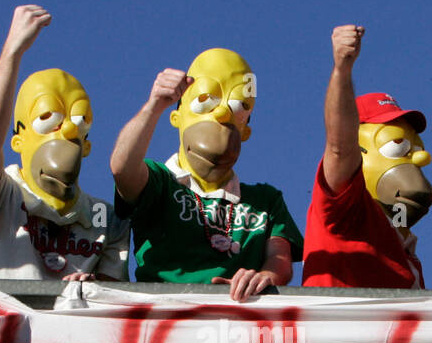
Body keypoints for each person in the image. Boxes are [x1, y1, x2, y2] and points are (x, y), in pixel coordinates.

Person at [0, 4, 128, 343]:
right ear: (17, 138)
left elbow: (115, 290)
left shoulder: (107, 218)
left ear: (87, 144)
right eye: (48, 117)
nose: (65, 130)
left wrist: (95, 292)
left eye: (78, 121)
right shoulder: (3, 191)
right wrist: (12, 52)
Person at [111, 48, 302, 301]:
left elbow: (280, 261)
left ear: (246, 131)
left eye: (237, 107)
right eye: (206, 101)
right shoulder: (160, 182)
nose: (222, 114)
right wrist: (155, 105)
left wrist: (266, 276)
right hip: (167, 319)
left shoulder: (265, 200)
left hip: (238, 321)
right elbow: (122, 167)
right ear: (176, 117)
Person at [303, 25, 432, 288]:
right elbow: (339, 148)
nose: (418, 159)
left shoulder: (405, 245)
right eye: (397, 145)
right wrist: (342, 69)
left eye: (415, 148)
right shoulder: (345, 209)